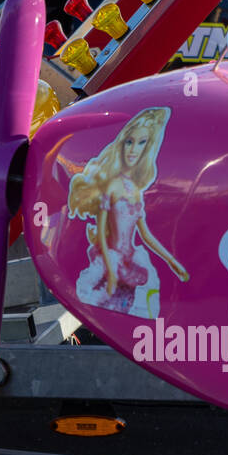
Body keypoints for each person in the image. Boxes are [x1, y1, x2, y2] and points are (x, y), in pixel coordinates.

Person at [67, 107, 187, 318]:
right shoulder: (113, 185)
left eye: (141, 143)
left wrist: (171, 260)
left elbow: (145, 235)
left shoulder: (135, 191)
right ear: (122, 144)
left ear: (147, 148)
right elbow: (103, 230)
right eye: (129, 142)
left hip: (130, 261)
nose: (133, 150)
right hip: (110, 260)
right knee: (100, 304)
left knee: (130, 307)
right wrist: (111, 271)